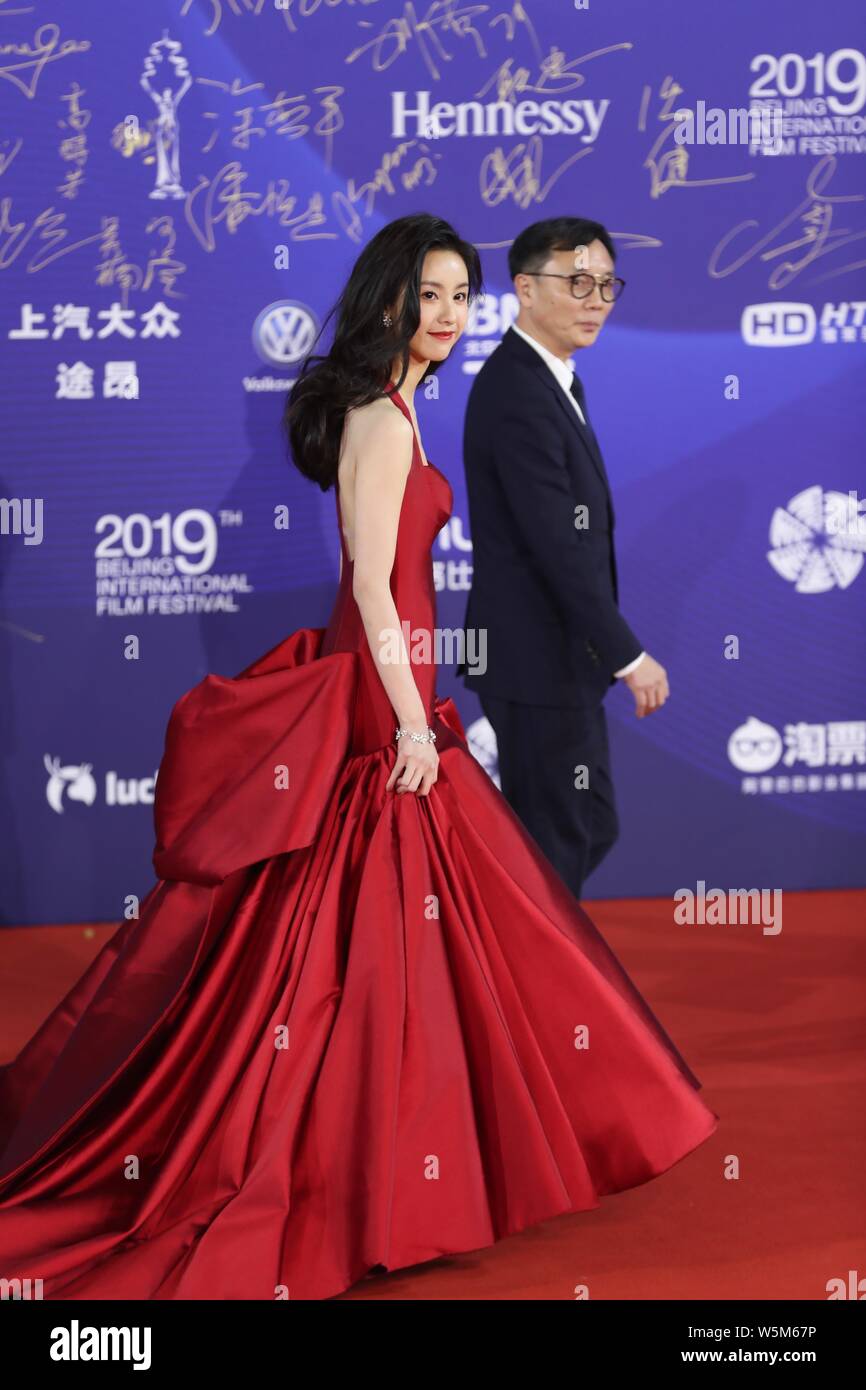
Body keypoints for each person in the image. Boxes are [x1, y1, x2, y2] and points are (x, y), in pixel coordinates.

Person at [0, 214, 716, 1302]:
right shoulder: (380, 421)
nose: (446, 316)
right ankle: (350, 1179)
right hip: (380, 696)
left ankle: (395, 1171)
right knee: (350, 937)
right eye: (429, 295)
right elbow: (374, 587)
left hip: (397, 686)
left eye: (459, 297)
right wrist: (410, 721)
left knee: (399, 936)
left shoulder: (408, 406)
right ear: (389, 300)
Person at [460, 217, 669, 902]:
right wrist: (627, 655)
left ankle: (514, 974)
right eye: (578, 282)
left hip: (555, 659)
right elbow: (557, 545)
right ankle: (528, 998)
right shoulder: (517, 391)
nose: (597, 299)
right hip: (535, 658)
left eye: (607, 284)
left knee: (584, 830)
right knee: (558, 843)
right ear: (525, 288)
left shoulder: (550, 379)